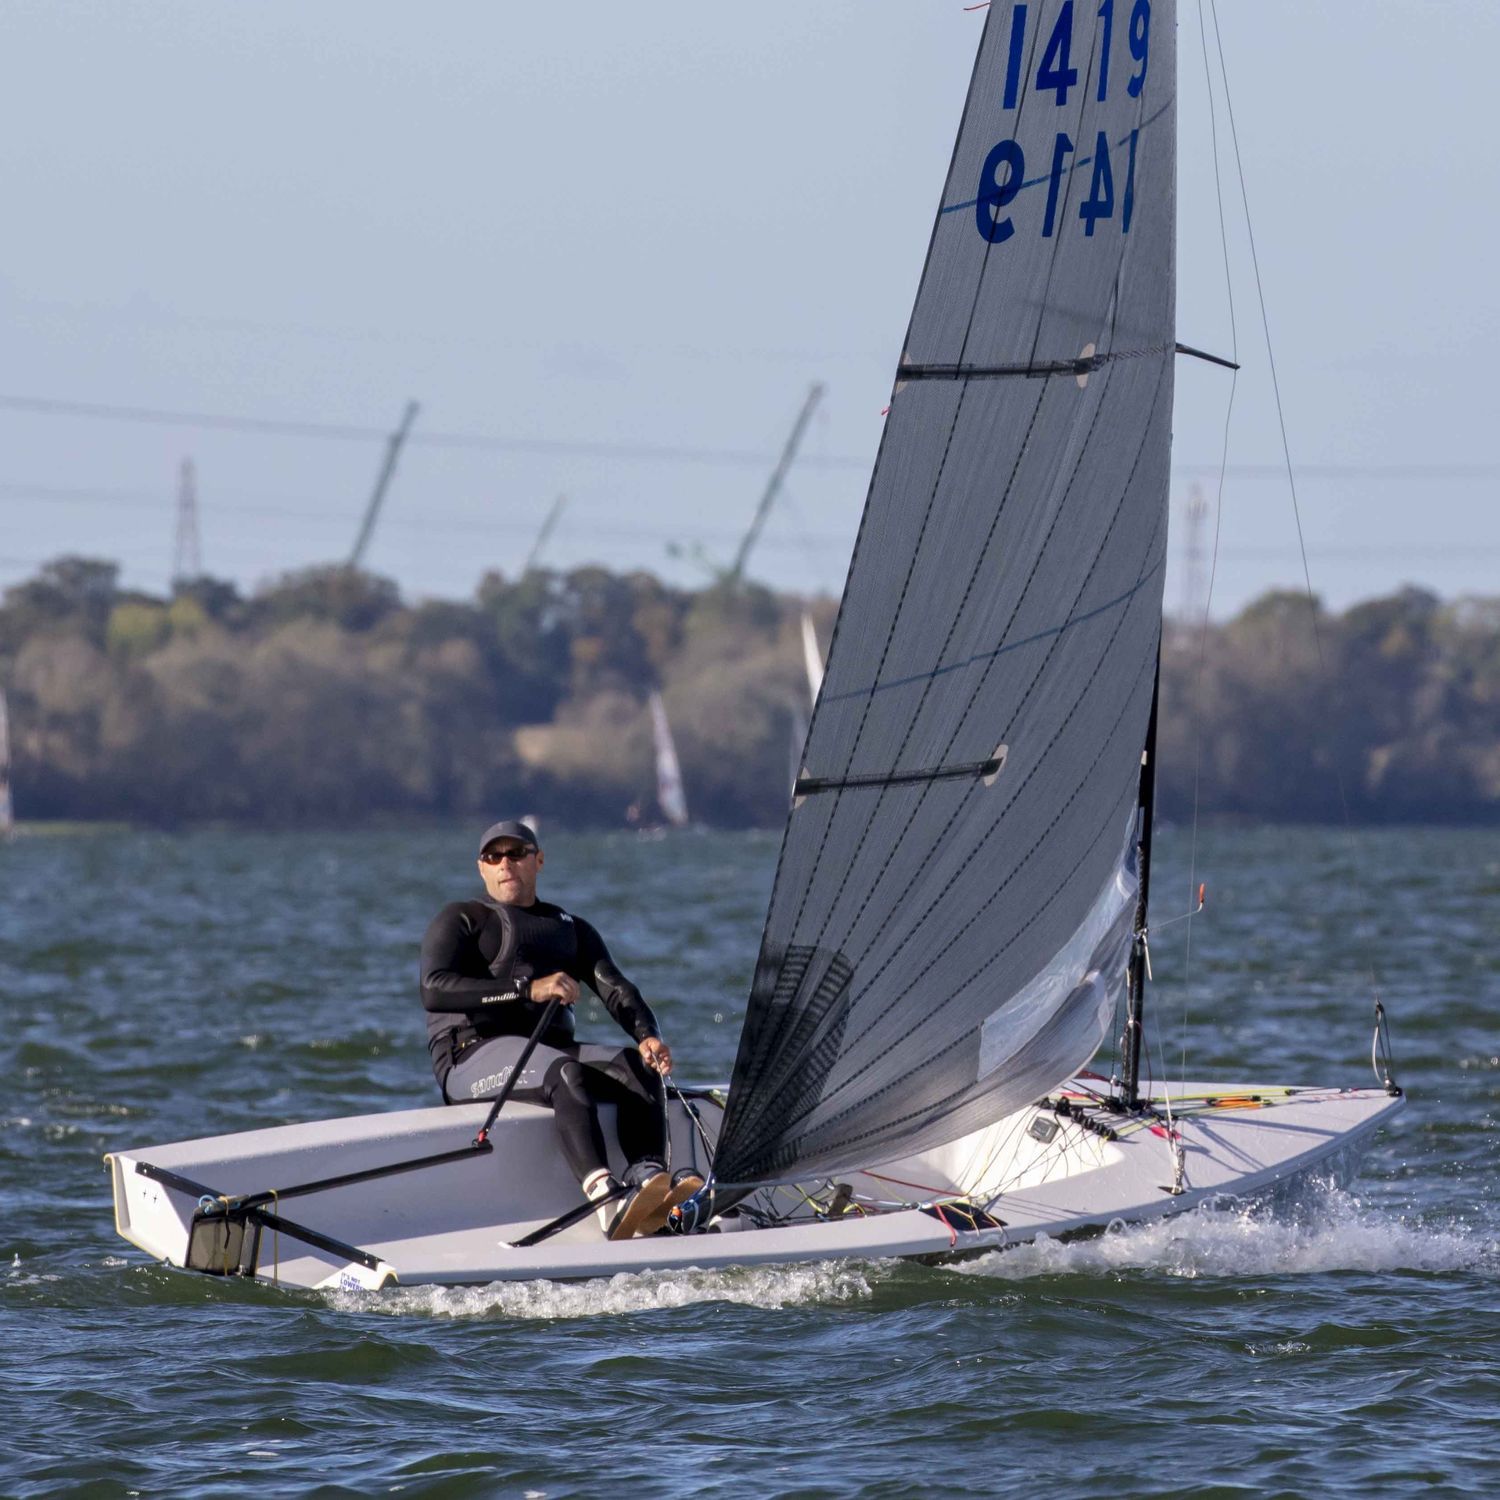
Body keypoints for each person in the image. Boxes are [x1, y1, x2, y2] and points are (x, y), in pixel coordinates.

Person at [419, 819, 700, 1239]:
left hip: (545, 1054)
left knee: (634, 1066)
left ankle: (649, 1183)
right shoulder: (463, 919)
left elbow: (616, 989)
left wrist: (647, 1036)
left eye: (516, 853)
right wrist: (526, 989)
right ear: (481, 868)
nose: (505, 864)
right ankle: (607, 1200)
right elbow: (434, 989)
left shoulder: (570, 929)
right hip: (472, 1058)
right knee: (567, 1075)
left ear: (539, 860)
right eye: (493, 857)